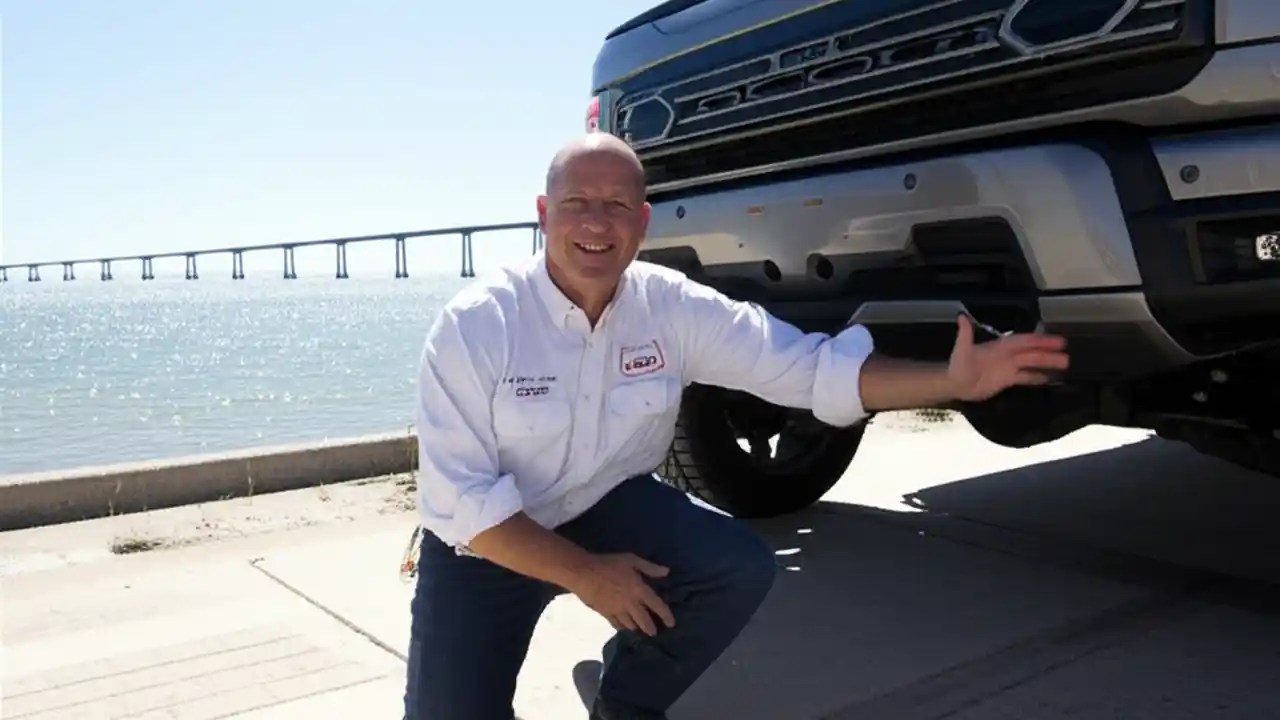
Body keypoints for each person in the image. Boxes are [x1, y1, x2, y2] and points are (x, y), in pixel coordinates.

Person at [403, 132, 1070, 719]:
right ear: (545, 214)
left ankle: (627, 697)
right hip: (489, 541)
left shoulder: (671, 306)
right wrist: (587, 573)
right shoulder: (477, 323)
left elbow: (808, 370)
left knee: (735, 568)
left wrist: (950, 383)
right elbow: (464, 503)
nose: (596, 222)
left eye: (616, 205)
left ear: (642, 221)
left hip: (604, 504)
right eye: (577, 202)